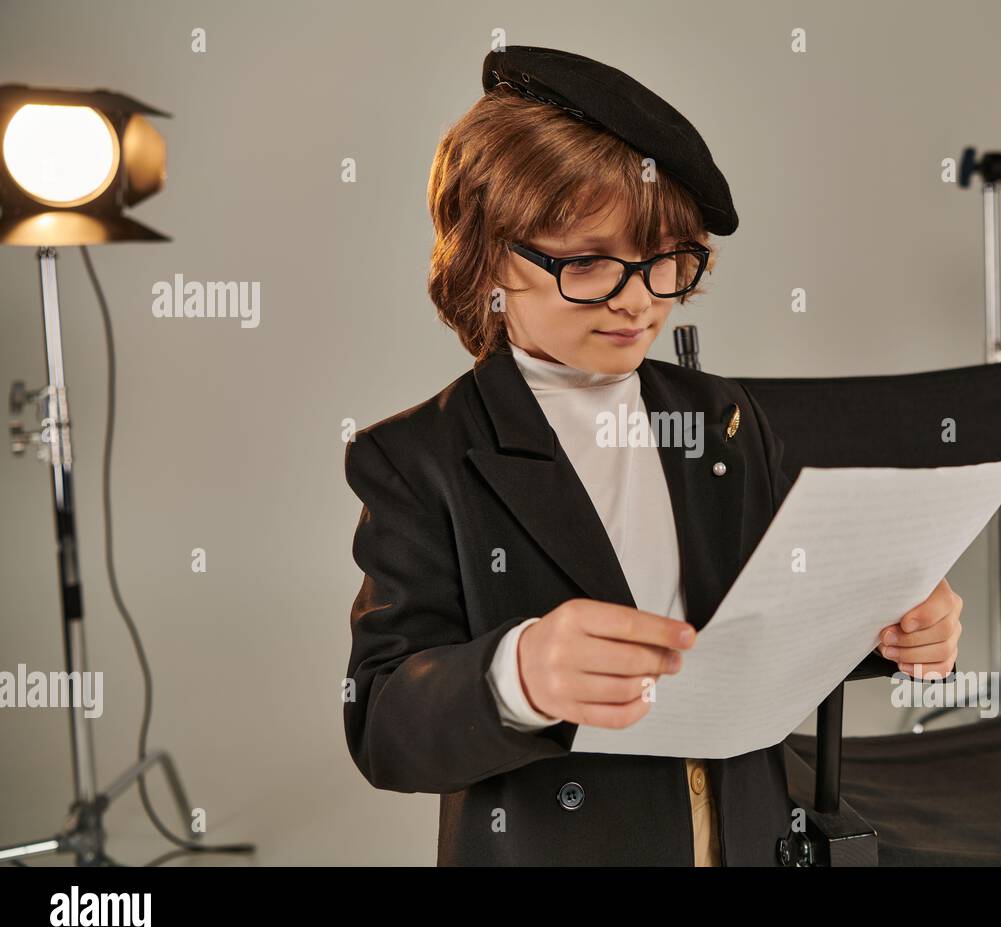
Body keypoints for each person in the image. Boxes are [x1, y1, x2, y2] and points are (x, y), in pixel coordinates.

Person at [343, 46, 963, 866]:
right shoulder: (419, 458)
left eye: (667, 259)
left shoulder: (721, 418)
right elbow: (383, 723)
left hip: (751, 839)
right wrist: (516, 673)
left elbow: (772, 627)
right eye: (589, 262)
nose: (640, 299)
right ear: (490, 256)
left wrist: (893, 625)